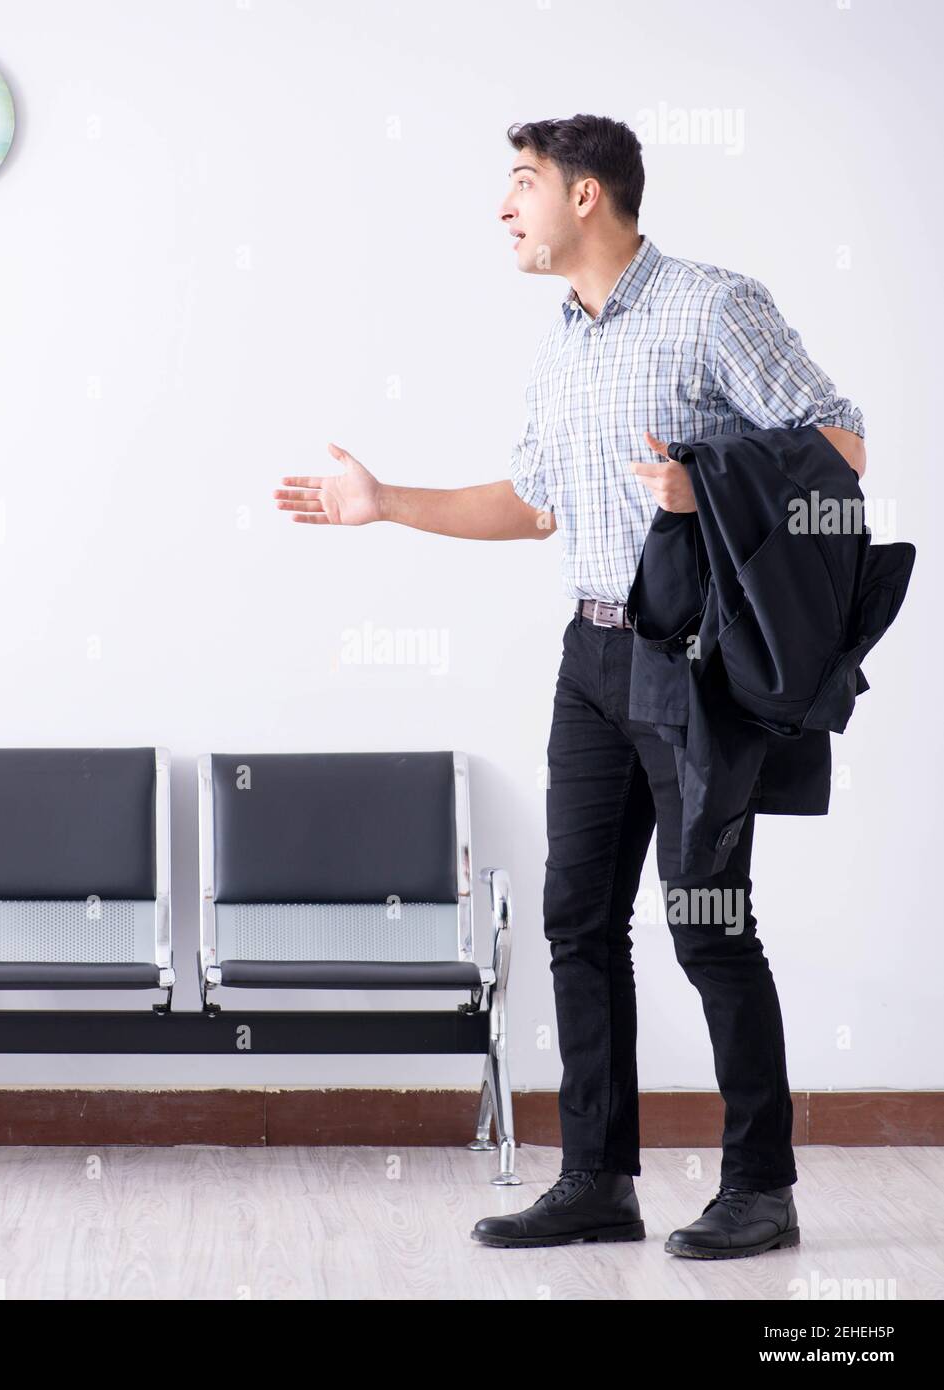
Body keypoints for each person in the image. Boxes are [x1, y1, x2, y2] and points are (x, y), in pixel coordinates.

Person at [273, 114, 865, 1259]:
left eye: (520, 183)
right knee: (576, 924)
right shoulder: (561, 339)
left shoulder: (710, 304)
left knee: (706, 924)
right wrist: (386, 500)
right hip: (591, 658)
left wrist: (705, 482)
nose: (503, 209)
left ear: (585, 194)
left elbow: (838, 450)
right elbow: (537, 505)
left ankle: (760, 1185)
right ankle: (597, 1178)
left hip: (695, 666)